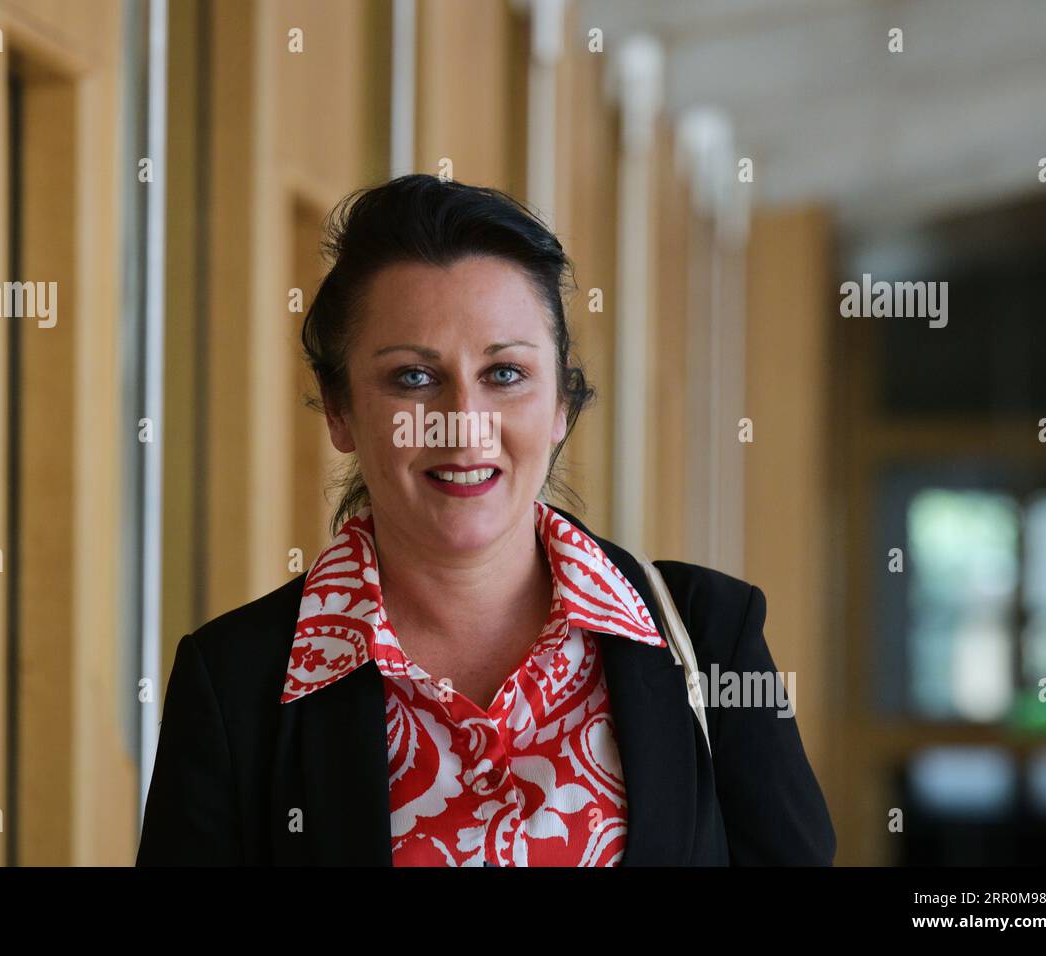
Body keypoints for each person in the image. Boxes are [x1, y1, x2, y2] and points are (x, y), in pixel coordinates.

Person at [136, 174, 835, 866]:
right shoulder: (236, 686)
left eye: (504, 375)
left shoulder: (710, 636)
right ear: (341, 409)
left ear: (561, 400)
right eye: (413, 377)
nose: (465, 428)